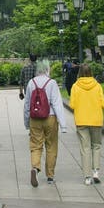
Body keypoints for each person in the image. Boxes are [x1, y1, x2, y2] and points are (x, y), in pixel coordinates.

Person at [23, 58, 68, 186]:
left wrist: (26, 122)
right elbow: (57, 103)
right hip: (51, 118)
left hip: (35, 118)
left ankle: (35, 168)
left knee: (36, 145)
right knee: (51, 145)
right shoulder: (52, 83)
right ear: (48, 69)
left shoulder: (31, 83)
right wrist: (63, 125)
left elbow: (27, 105)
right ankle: (50, 176)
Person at [69, 62, 104, 185]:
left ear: (79, 72)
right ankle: (96, 171)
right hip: (96, 120)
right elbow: (103, 104)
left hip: (81, 120)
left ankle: (87, 177)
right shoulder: (97, 86)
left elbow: (72, 105)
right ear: (91, 72)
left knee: (85, 148)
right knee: (96, 146)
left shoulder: (75, 86)